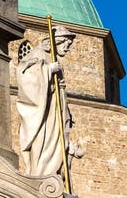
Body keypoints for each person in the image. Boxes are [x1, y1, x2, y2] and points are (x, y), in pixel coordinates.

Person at [16, 26, 77, 177]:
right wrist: (48, 70)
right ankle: (42, 173)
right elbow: (23, 73)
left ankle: (53, 172)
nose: (67, 49)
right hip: (44, 113)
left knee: (57, 140)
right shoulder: (38, 54)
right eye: (66, 45)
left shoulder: (53, 59)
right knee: (44, 140)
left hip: (56, 110)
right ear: (57, 41)